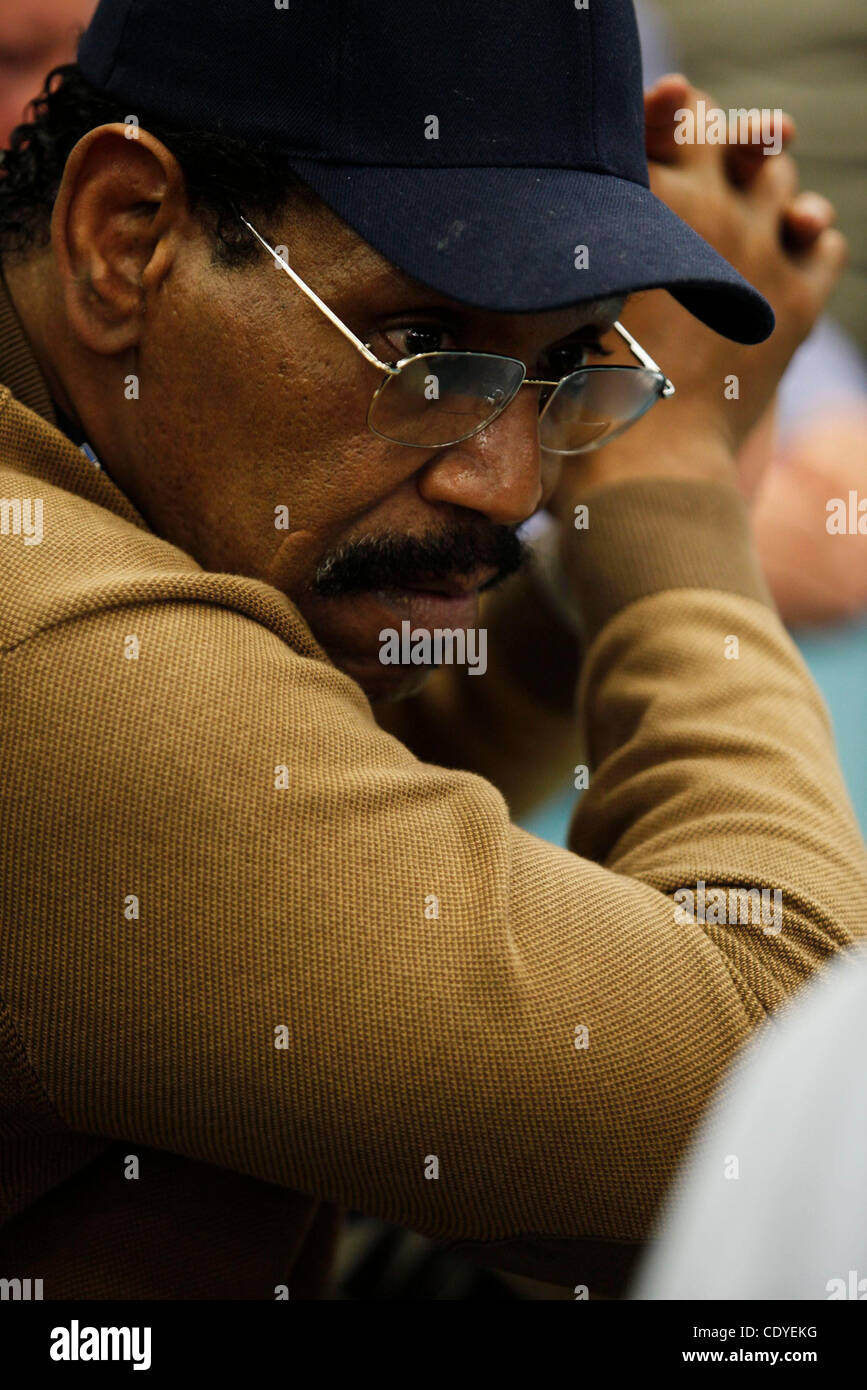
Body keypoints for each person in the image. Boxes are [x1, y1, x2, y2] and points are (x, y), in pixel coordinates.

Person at [0, 0, 864, 1301]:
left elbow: (322, 784)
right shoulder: (43, 655)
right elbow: (797, 1128)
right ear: (125, 238)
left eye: (567, 364)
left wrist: (570, 603)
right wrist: (664, 492)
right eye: (421, 348)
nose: (508, 480)